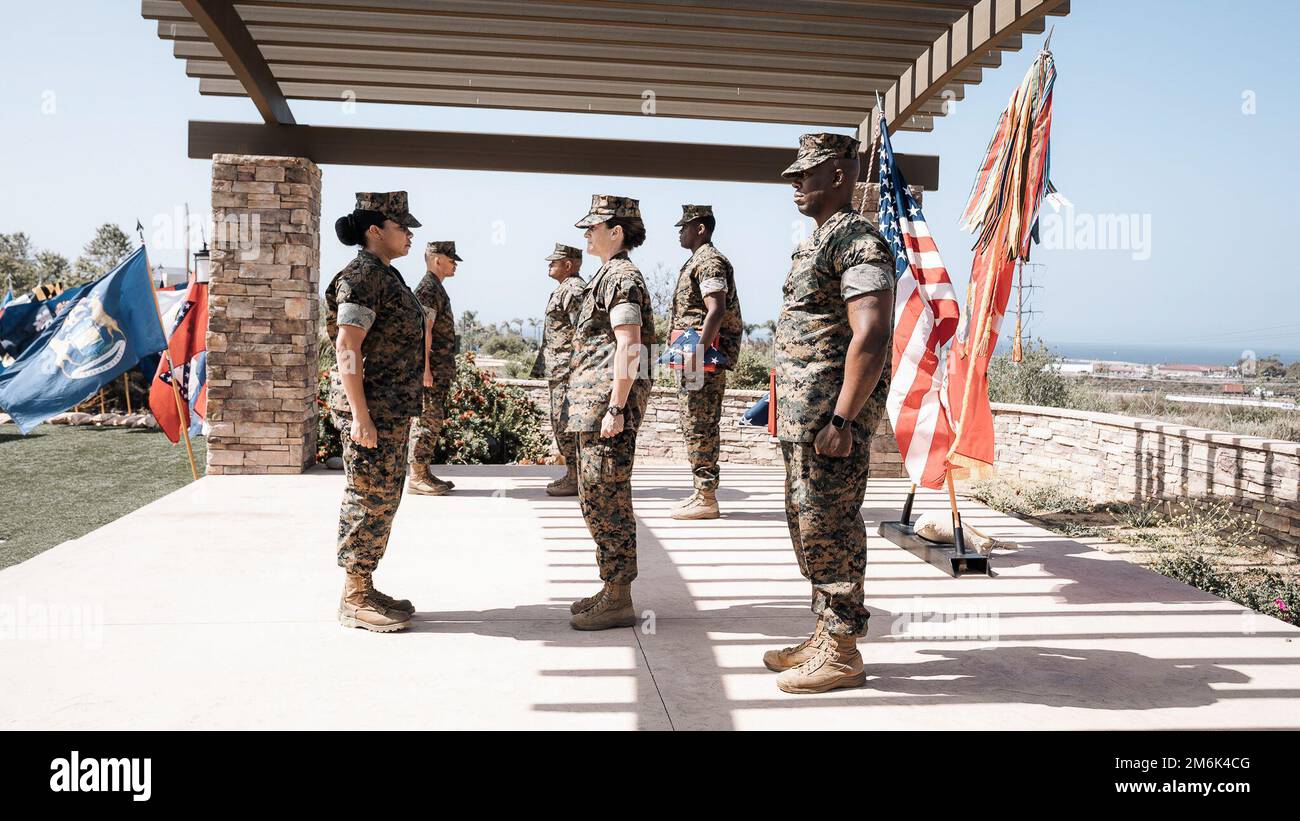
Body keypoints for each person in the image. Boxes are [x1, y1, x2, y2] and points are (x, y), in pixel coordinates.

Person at [765, 134, 895, 692]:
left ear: (839, 175)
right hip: (804, 419)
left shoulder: (859, 239)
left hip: (828, 423)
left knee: (831, 525)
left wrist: (843, 420)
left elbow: (872, 333)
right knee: (807, 523)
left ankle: (843, 650)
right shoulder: (820, 240)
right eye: (794, 174)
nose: (797, 183)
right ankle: (824, 631)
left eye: (808, 173)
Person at [325, 191, 425, 633]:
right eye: (402, 227)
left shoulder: (386, 274)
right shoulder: (362, 276)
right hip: (372, 410)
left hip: (388, 409)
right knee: (368, 496)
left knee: (384, 497)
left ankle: (365, 582)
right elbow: (347, 348)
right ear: (375, 230)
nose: (409, 235)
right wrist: (361, 415)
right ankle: (354, 596)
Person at [566, 195, 656, 630]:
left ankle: (619, 595)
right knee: (594, 498)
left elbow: (629, 344)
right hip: (594, 409)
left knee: (608, 499)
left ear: (616, 231)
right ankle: (611, 587)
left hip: (608, 411)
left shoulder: (623, 277)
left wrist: (616, 407)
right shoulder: (607, 275)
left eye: (593, 227)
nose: (586, 234)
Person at [668, 204, 743, 520]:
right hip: (693, 354)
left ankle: (707, 497)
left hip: (702, 356)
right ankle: (700, 492)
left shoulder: (709, 261)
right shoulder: (697, 261)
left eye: (684, 226)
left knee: (700, 424)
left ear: (701, 228)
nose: (680, 232)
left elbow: (716, 309)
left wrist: (698, 352)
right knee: (692, 421)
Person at [529, 243, 587, 496]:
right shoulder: (564, 289)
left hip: (567, 372)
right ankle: (574, 475)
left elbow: (583, 332)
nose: (549, 264)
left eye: (555, 261)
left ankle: (575, 478)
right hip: (559, 370)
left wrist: (577, 370)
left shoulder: (573, 290)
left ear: (568, 264)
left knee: (565, 423)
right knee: (559, 422)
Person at [407, 240, 461, 495]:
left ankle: (424, 472)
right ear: (437, 260)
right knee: (426, 420)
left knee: (433, 419)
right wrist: (425, 368)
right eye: (452, 261)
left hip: (439, 369)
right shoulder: (428, 289)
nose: (455, 266)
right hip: (431, 370)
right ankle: (417, 476)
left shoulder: (435, 288)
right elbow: (424, 330)